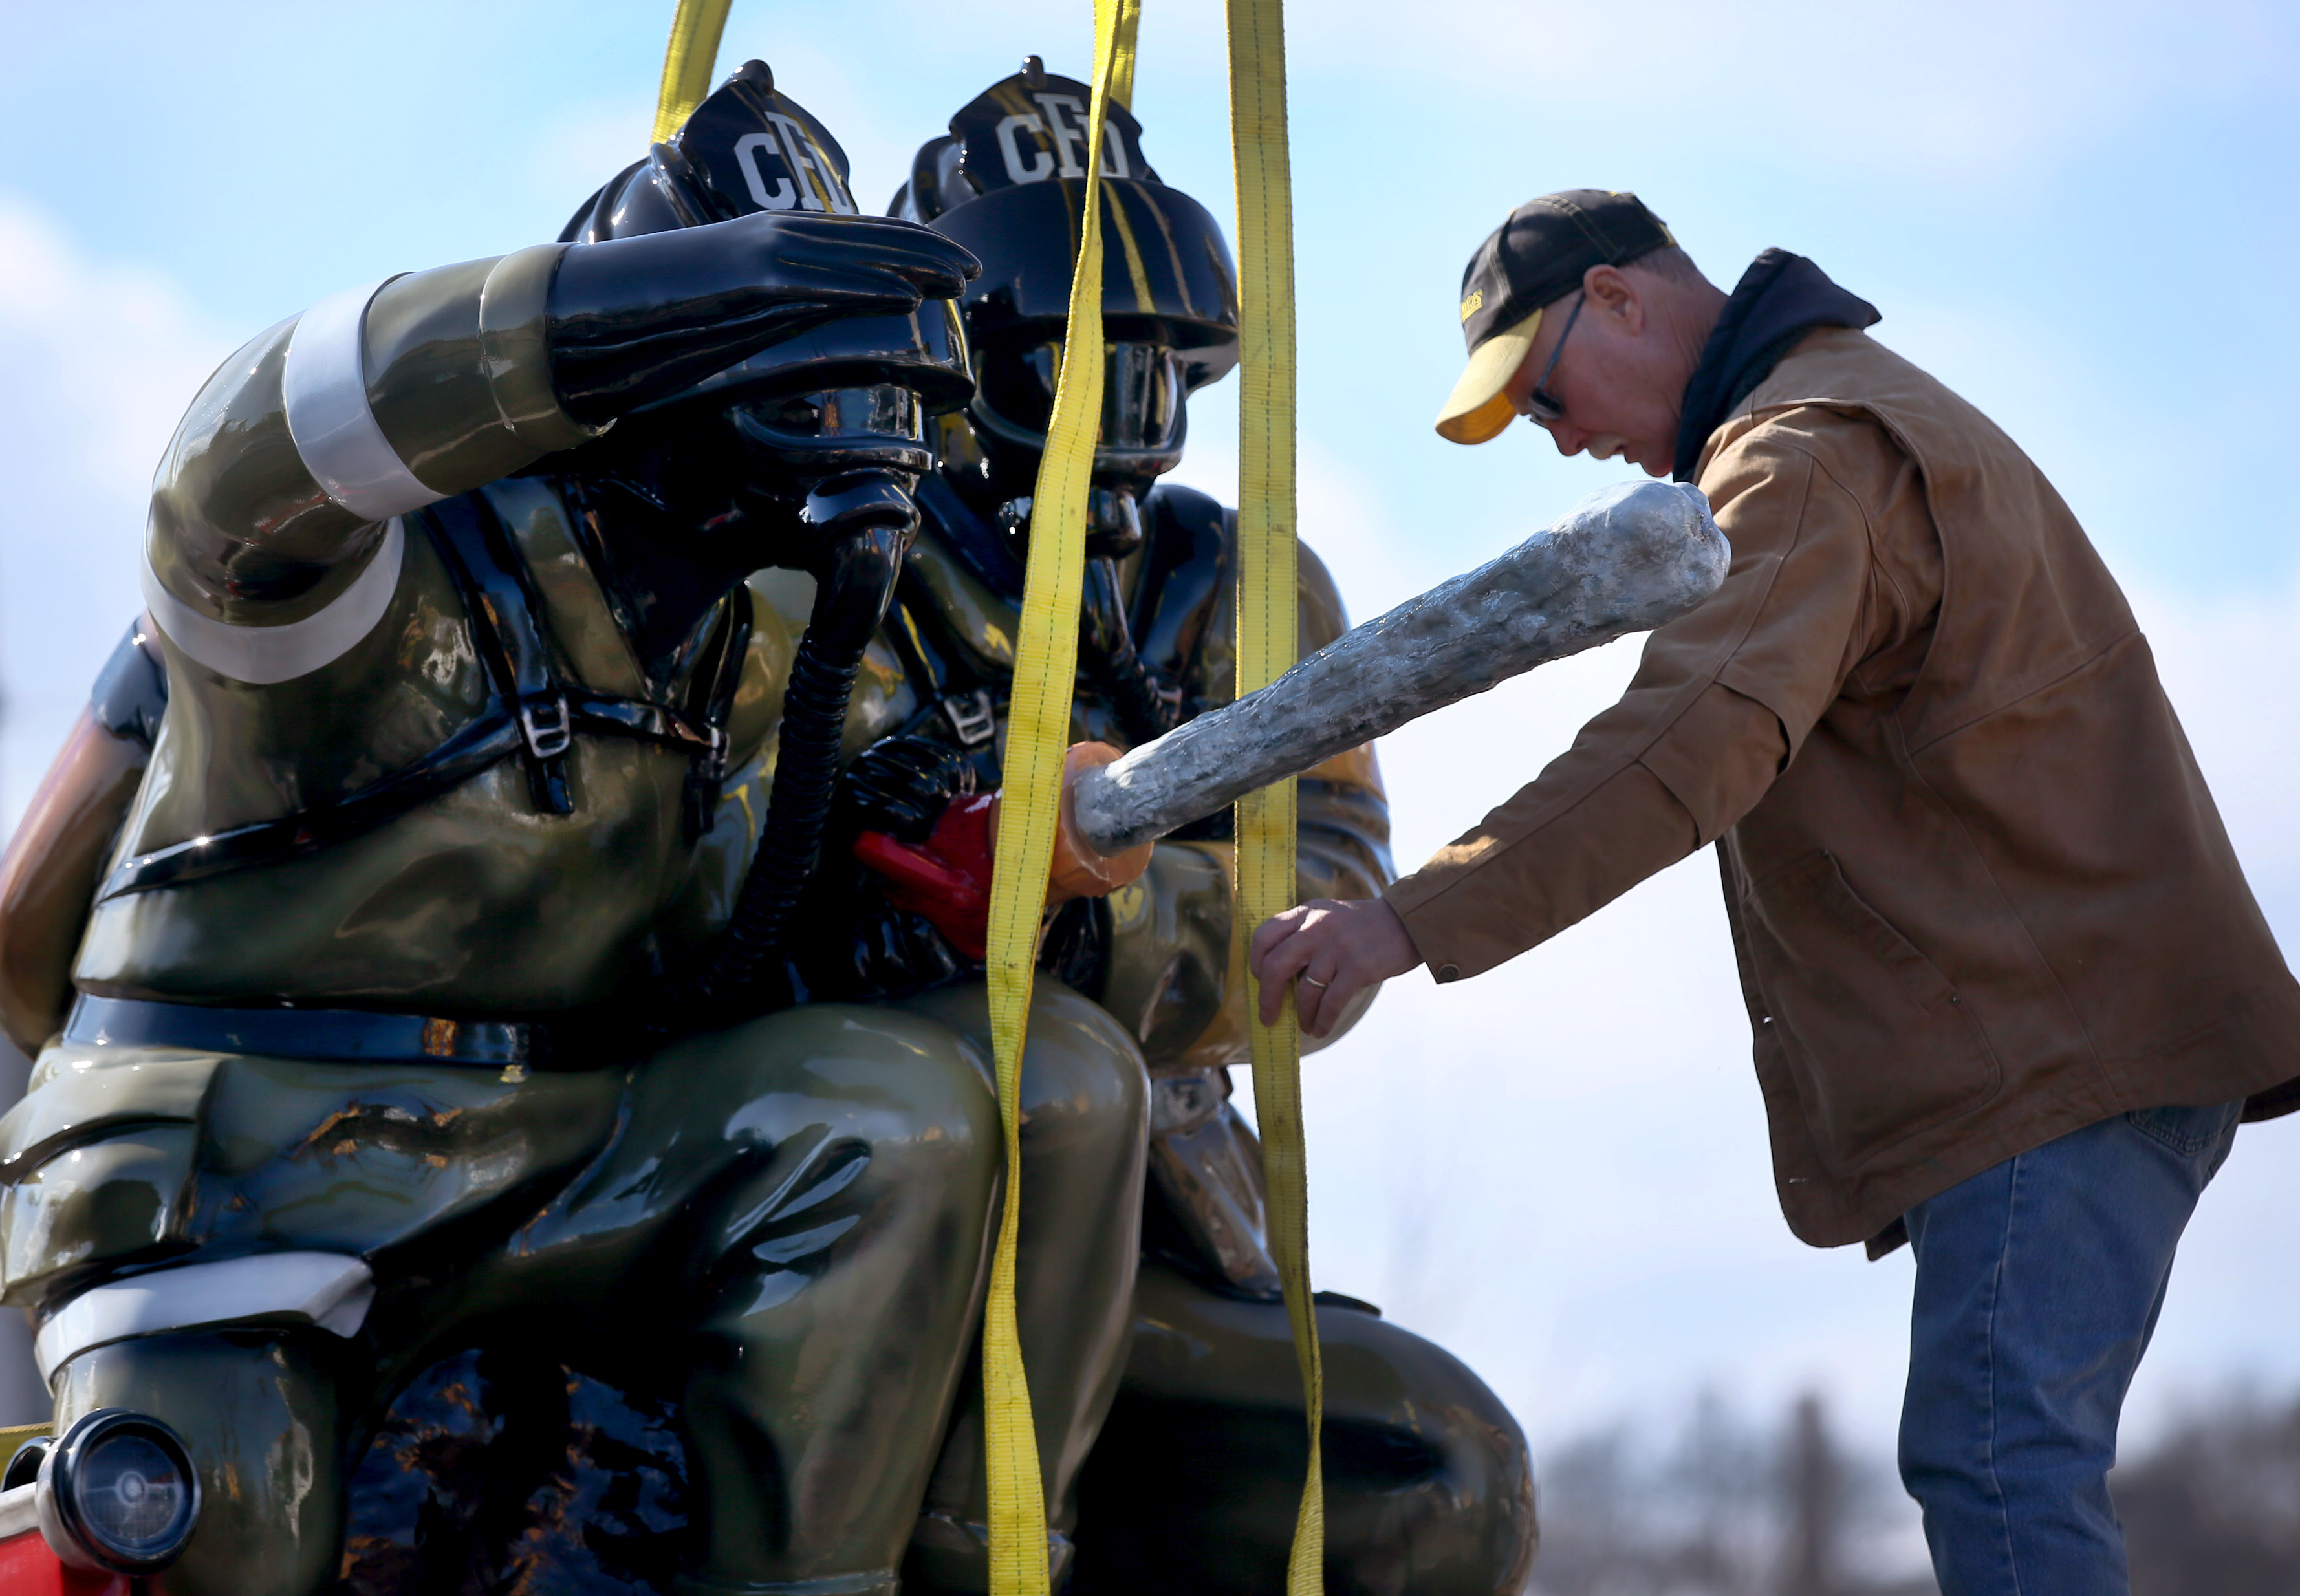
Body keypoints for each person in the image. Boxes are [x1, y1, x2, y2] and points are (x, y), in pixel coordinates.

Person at [0, 63, 1157, 1596]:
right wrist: (653, 304)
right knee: (220, 1536)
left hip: (550, 1146)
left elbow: (726, 935)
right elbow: (244, 454)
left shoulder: (757, 642)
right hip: (250, 1173)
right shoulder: (383, 584)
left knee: (903, 1115)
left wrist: (931, 866)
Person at [1248, 188, 2300, 1595]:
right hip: (2084, 1048)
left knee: (1998, 1461)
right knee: (2003, 1454)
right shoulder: (1849, 416)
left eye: (1548, 393)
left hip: (2060, 1063)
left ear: (1617, 298)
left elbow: (1687, 740)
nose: (1563, 443)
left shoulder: (1798, 456)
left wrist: (1402, 920)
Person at [810, 60, 1534, 1595]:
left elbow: (1327, 888)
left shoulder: (1242, 589)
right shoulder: (821, 554)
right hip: (848, 1176)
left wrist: (1103, 920)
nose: (1128, 412)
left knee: (1432, 1472)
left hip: (1149, 1214)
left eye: (1156, 362)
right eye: (1080, 361)